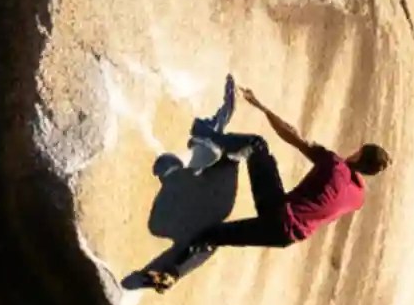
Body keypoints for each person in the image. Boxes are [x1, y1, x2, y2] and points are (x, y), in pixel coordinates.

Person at [145, 86, 392, 293]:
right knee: (215, 236)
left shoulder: (334, 164)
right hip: (285, 237)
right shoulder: (358, 198)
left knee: (257, 145)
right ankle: (172, 274)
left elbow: (293, 136)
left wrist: (262, 107)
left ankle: (208, 135)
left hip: (276, 208)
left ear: (358, 152)